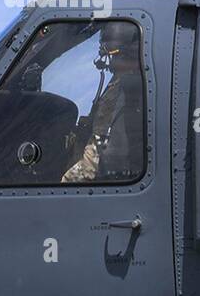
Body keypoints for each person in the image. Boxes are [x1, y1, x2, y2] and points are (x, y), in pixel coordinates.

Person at [61, 24, 145, 184]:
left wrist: (66, 183)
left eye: (105, 47)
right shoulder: (122, 83)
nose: (103, 54)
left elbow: (97, 151)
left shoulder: (127, 89)